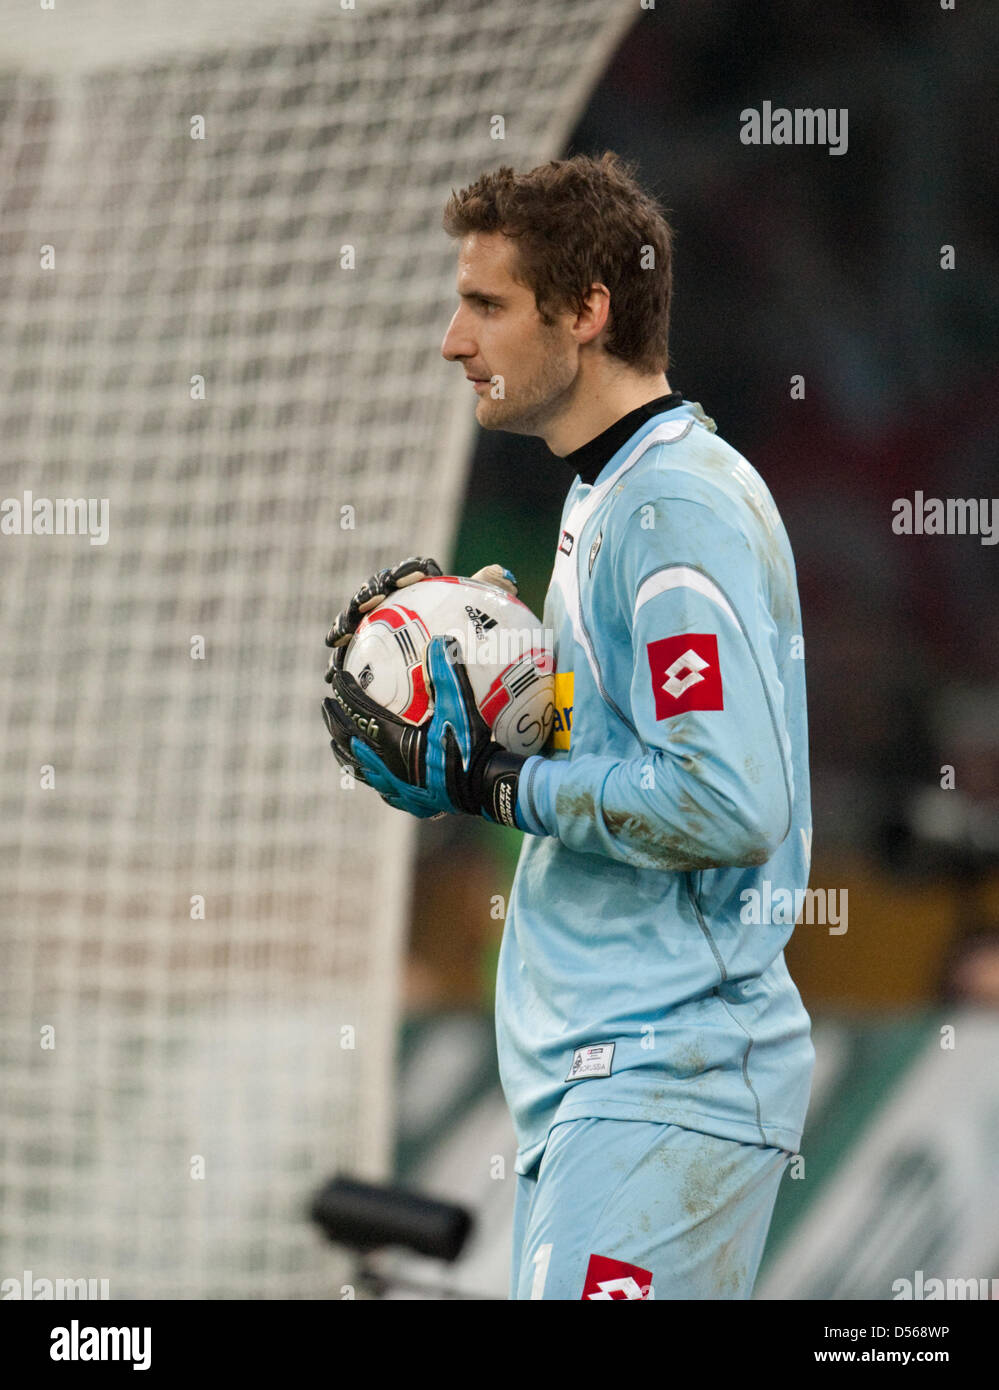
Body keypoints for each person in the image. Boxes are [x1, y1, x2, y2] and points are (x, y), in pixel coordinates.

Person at [323, 152, 814, 1300]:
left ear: (587, 311)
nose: (456, 339)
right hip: (619, 1080)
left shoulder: (668, 506)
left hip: (666, 1072)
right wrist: (511, 686)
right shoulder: (614, 488)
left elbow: (731, 798)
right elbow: (648, 749)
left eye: (486, 304)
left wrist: (503, 783)